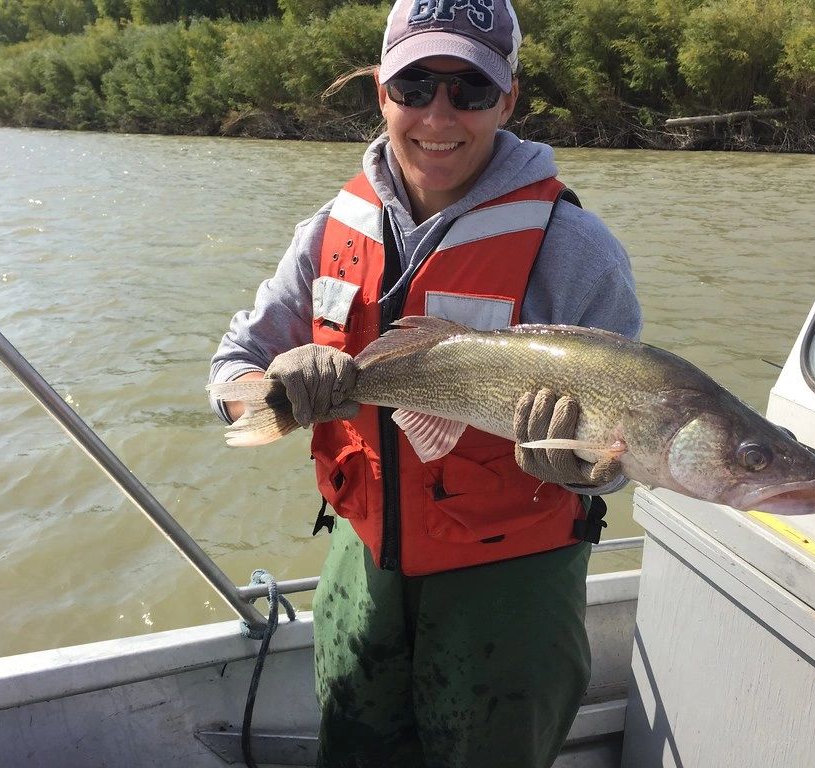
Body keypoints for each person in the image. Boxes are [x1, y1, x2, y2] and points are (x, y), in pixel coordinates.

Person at [209, 0, 642, 765]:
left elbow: (623, 448)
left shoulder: (578, 251)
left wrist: (587, 472)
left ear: (507, 99)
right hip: (360, 569)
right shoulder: (326, 231)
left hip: (512, 592)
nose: (439, 116)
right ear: (382, 91)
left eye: (470, 90)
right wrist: (272, 379)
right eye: (414, 87)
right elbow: (230, 374)